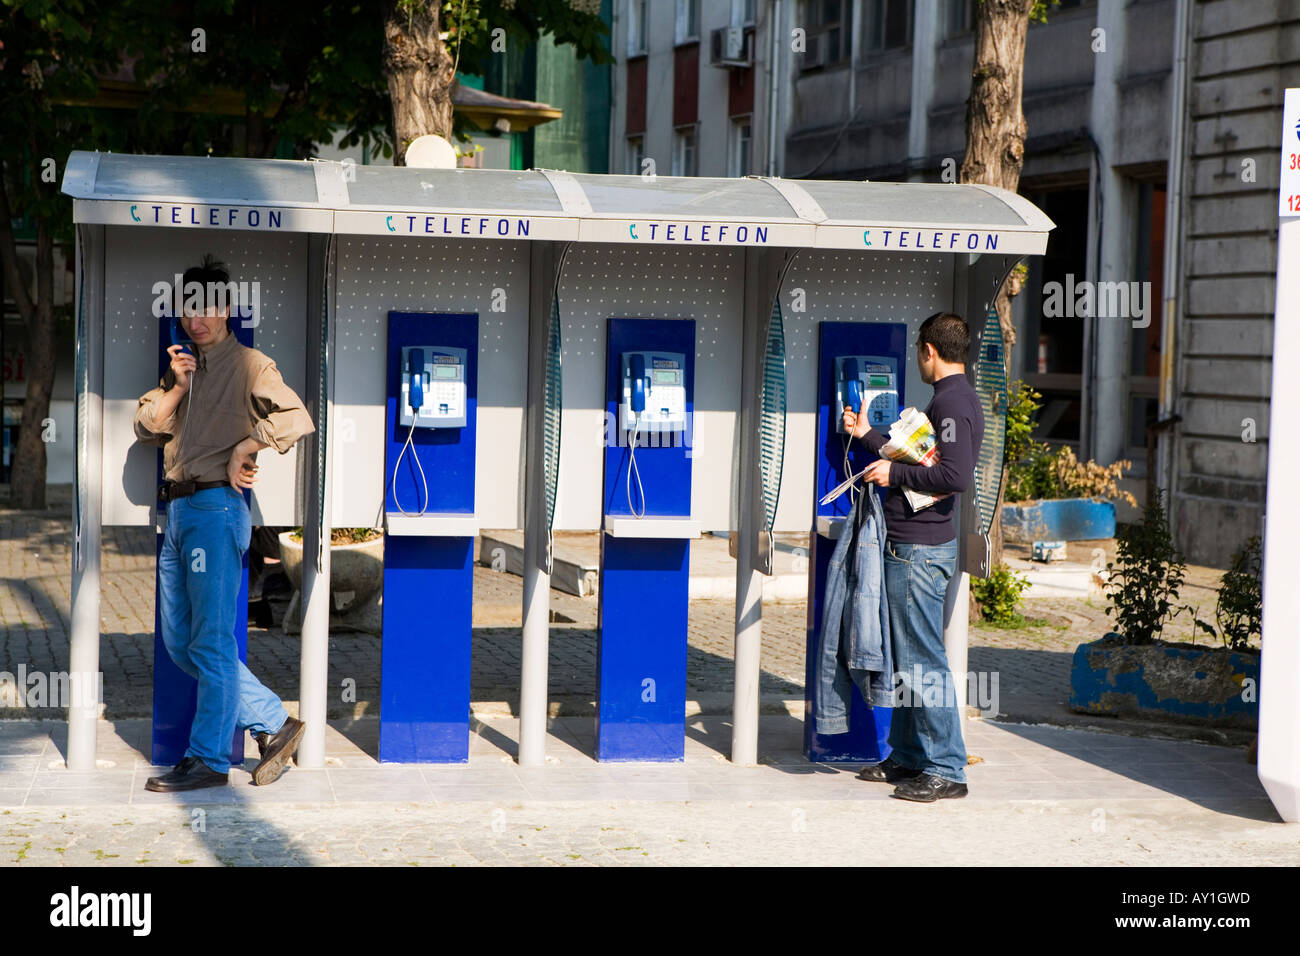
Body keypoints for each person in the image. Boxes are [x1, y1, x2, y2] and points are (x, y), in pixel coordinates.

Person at [134, 257, 314, 792]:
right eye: (189, 310)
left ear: (227, 309)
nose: (198, 320)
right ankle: (274, 722)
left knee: (210, 640)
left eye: (208, 308)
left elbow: (297, 417)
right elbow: (146, 427)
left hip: (216, 511)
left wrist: (247, 444)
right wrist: (179, 386)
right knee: (182, 641)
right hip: (179, 513)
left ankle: (209, 758)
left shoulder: (251, 364)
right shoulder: (181, 368)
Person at [841, 311, 984, 803]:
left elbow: (953, 477)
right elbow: (920, 457)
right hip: (913, 547)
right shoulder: (952, 398)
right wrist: (867, 436)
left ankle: (947, 767)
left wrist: (892, 477)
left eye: (918, 353)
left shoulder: (951, 404)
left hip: (920, 552)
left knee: (923, 661)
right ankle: (907, 754)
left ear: (928, 350)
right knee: (908, 659)